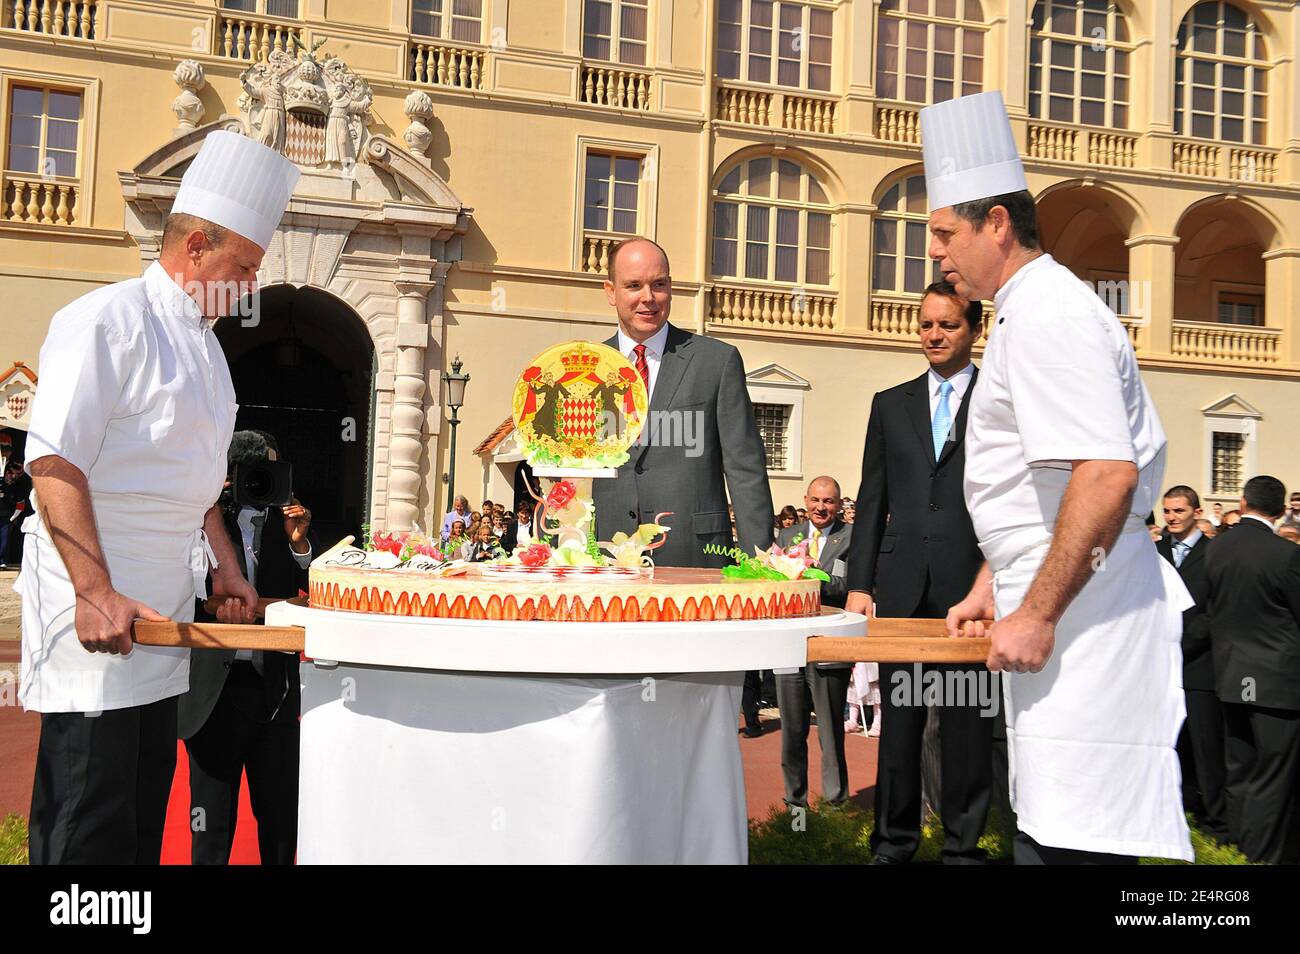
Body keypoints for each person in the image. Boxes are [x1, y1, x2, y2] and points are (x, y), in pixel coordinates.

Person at [17, 130, 298, 864]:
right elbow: (53, 461)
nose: (248, 287)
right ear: (196, 246)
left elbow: (198, 492)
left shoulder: (208, 352)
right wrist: (93, 589)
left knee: (141, 828)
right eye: (242, 267)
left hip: (162, 628)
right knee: (88, 827)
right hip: (97, 632)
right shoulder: (106, 320)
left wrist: (229, 570)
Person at [929, 92, 1192, 863]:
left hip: (1086, 625)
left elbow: (1105, 476)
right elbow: (1039, 491)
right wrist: (993, 579)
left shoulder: (1048, 313)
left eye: (946, 234)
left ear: (997, 224)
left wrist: (1037, 611)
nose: (937, 254)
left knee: (1070, 848)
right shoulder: (1023, 308)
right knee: (1048, 835)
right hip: (1066, 614)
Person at [845, 280, 992, 865]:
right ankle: (893, 843)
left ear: (974, 329)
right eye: (926, 324)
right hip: (902, 585)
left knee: (966, 721)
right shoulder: (891, 403)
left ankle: (963, 846)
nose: (934, 334)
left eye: (947, 325)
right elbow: (871, 495)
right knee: (900, 720)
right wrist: (860, 585)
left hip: (971, 586)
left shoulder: (1000, 399)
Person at [593, 237, 773, 568]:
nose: (648, 298)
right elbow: (570, 472)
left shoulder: (716, 362)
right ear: (610, 291)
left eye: (658, 284)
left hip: (694, 555)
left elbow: (744, 468)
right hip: (606, 558)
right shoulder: (585, 370)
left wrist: (760, 562)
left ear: (670, 288)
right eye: (634, 285)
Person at [180, 430, 313, 864]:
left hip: (274, 692)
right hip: (214, 696)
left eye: (267, 473)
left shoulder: (288, 527)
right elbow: (181, 587)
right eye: (248, 473)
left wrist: (300, 546)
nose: (258, 482)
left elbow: (310, 594)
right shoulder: (198, 523)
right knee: (210, 824)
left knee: (279, 821)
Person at [1203, 475, 1300, 864]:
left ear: (1242, 503)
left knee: (1239, 767)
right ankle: (1261, 856)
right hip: (1277, 680)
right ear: (1280, 510)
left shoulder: (1216, 549)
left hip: (1231, 675)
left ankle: (1237, 850)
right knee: (1272, 775)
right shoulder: (1286, 554)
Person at [774, 476, 852, 808]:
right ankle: (795, 804)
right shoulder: (787, 535)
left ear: (838, 504)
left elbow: (844, 584)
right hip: (789, 644)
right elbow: (775, 578)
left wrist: (807, 573)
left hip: (829, 644)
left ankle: (835, 805)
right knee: (792, 731)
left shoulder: (852, 537)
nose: (821, 508)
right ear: (806, 500)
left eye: (829, 502)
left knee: (830, 732)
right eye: (816, 500)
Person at [1156, 485, 1227, 842]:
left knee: (1206, 745)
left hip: (1200, 667)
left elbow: (1215, 611)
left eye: (1179, 511)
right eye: (1167, 511)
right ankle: (1177, 808)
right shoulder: (1153, 552)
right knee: (1171, 741)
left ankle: (1215, 820)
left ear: (1196, 513)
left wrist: (1179, 645)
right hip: (1160, 668)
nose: (1171, 517)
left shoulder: (1214, 554)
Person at [0, 458, 31, 568]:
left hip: (6, 514)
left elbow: (20, 501)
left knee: (4, 538)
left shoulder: (13, 485)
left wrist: (13, 517)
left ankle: (2, 560)